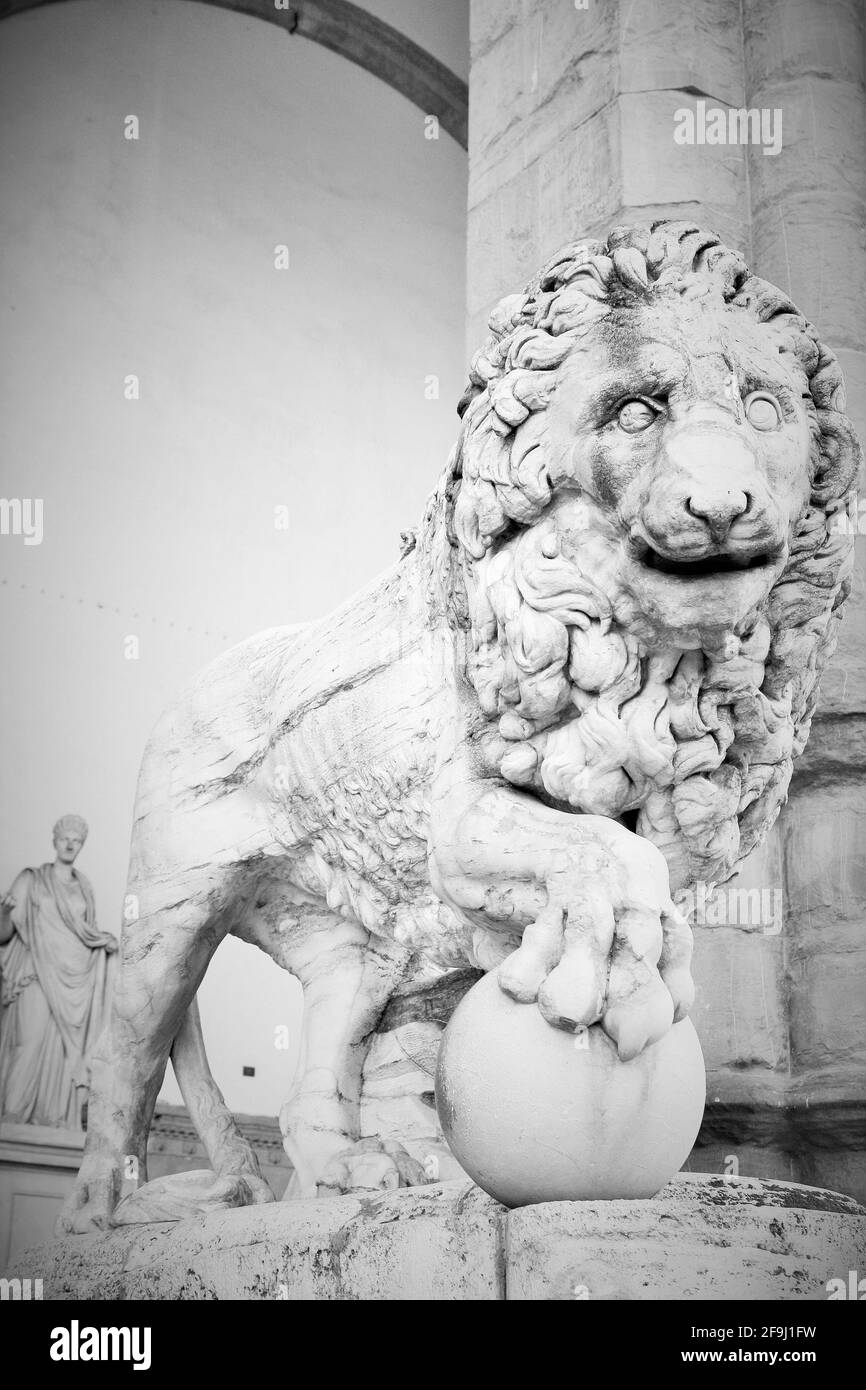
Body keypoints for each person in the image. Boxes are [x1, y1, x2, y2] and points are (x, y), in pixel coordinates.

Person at [0, 815, 117, 1128]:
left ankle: (51, 1119)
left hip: (75, 984)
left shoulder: (84, 886)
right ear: (55, 840)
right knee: (29, 1043)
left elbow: (87, 933)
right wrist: (3, 913)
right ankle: (11, 1117)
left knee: (65, 1056)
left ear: (81, 845)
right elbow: (4, 935)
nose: (70, 844)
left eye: (76, 840)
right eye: (65, 837)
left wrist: (103, 944)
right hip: (37, 973)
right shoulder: (31, 880)